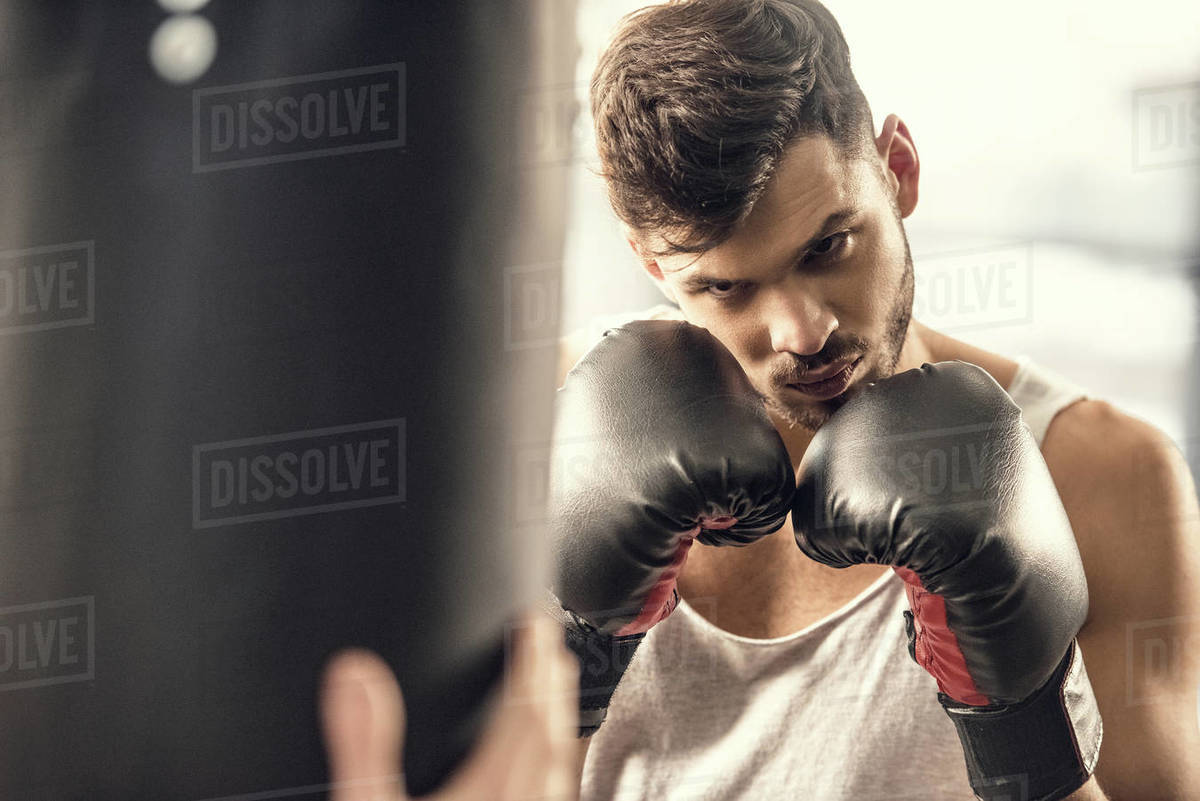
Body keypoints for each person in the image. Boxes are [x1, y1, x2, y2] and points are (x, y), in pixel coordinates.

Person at [547, 1, 1200, 800]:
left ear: (899, 167)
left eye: (827, 246)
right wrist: (569, 664)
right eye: (726, 287)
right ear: (649, 261)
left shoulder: (1105, 474)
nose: (803, 330)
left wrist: (1022, 719)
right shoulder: (551, 428)